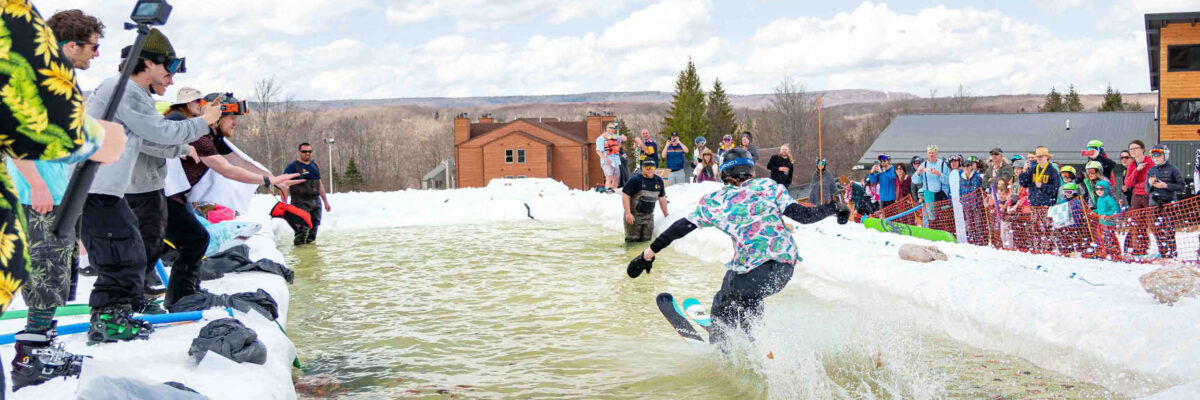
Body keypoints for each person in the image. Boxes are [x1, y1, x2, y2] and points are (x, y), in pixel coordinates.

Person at [4, 8, 124, 390]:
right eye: (93, 46)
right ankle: (30, 358)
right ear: (70, 44)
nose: (97, 54)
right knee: (42, 275)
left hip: (54, 192)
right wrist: (36, 184)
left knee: (56, 275)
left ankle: (41, 346)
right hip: (31, 194)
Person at [625, 148, 849, 345]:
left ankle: (722, 349)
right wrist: (833, 208)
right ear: (751, 171)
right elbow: (804, 215)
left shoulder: (717, 200)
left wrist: (647, 254)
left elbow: (679, 228)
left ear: (724, 173)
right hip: (784, 271)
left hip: (755, 272)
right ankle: (754, 342)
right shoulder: (770, 186)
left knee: (724, 299)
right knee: (746, 292)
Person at [81, 27, 218, 345]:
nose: (171, 78)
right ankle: (106, 321)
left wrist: (179, 148)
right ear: (147, 63)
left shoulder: (133, 94)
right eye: (168, 68)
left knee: (131, 252)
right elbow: (159, 131)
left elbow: (144, 138)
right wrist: (203, 121)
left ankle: (118, 313)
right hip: (95, 187)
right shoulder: (123, 89)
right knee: (119, 255)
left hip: (108, 188)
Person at [166, 93, 299, 307]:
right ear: (217, 117)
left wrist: (272, 179)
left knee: (194, 241)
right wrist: (267, 180)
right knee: (194, 241)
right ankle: (180, 297)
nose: (236, 122)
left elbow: (239, 160)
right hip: (162, 198)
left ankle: (183, 293)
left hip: (171, 198)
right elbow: (227, 170)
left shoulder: (211, 138)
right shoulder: (200, 137)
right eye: (231, 117)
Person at [282, 143, 332, 245]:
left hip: (315, 202)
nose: (307, 153)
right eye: (304, 151)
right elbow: (284, 184)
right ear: (299, 152)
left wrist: (325, 201)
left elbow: (320, 184)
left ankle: (310, 257)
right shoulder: (292, 167)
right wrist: (284, 203)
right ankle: (300, 255)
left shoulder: (314, 166)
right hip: (300, 202)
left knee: (313, 233)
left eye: (309, 151)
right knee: (302, 231)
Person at [1146, 145, 1183, 258]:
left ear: (1165, 156)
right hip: (1155, 204)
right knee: (1157, 230)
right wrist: (1151, 184)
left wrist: (1166, 185)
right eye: (1154, 156)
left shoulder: (1173, 169)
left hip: (1168, 203)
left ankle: (1172, 253)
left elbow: (1181, 186)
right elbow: (1147, 190)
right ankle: (1163, 253)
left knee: (1169, 230)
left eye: (1159, 155)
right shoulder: (1151, 170)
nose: (1156, 158)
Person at [623, 159, 668, 242]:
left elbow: (662, 198)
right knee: (632, 242)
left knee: (646, 243)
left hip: (648, 218)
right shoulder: (635, 180)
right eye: (646, 167)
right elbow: (625, 196)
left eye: (651, 167)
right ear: (642, 168)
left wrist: (666, 215)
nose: (649, 169)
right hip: (634, 217)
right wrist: (628, 213)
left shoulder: (659, 181)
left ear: (655, 168)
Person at [1124, 141, 1155, 255]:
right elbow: (1127, 182)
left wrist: (1139, 184)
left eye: (1135, 148)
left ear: (1142, 149)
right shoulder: (1132, 165)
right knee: (1137, 224)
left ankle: (1164, 249)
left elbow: (1151, 181)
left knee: (1153, 223)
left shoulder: (1150, 161)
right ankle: (1140, 248)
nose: (1133, 151)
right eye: (1130, 149)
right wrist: (1137, 171)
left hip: (1149, 195)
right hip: (1136, 197)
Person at [595, 123, 623, 193]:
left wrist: (618, 145)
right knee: (609, 176)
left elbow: (621, 140)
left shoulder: (615, 137)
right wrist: (605, 159)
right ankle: (608, 192)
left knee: (616, 178)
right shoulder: (601, 138)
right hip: (606, 161)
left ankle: (614, 192)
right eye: (610, 128)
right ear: (607, 129)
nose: (612, 129)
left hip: (616, 161)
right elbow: (598, 151)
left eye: (614, 128)